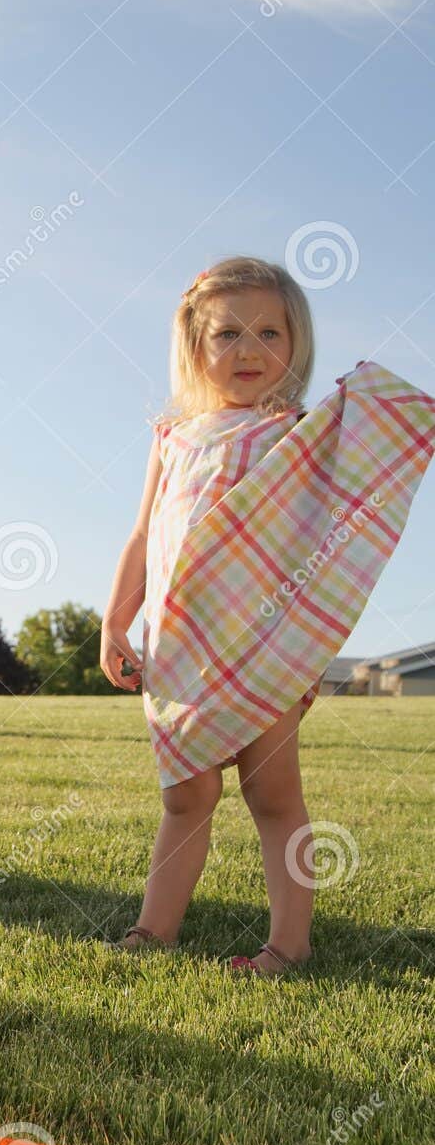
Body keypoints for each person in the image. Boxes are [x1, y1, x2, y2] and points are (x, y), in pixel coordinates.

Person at [100, 256, 433, 973]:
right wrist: (113, 621)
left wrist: (367, 403)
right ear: (195, 345)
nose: (247, 350)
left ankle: (288, 944)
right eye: (227, 334)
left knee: (271, 792)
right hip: (180, 640)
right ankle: (153, 930)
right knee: (186, 794)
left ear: (295, 343)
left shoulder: (297, 434)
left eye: (268, 333)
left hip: (266, 639)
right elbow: (143, 534)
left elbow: (350, 486)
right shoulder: (172, 437)